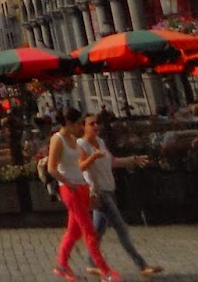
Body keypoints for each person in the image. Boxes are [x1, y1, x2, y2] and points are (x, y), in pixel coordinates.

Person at [81, 114, 161, 278]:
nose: (96, 126)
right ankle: (142, 265)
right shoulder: (81, 144)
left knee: (97, 231)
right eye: (91, 123)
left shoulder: (101, 142)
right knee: (121, 228)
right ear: (84, 126)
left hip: (109, 189)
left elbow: (112, 161)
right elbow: (81, 166)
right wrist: (93, 158)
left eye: (97, 123)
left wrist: (133, 159)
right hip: (99, 192)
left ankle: (90, 263)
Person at [46, 107, 118, 282]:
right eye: (79, 123)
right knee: (88, 231)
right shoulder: (58, 139)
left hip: (81, 187)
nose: (81, 127)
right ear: (69, 123)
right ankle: (104, 270)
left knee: (74, 230)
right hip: (70, 189)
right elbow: (52, 168)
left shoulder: (72, 138)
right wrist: (68, 182)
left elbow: (77, 164)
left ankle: (61, 264)